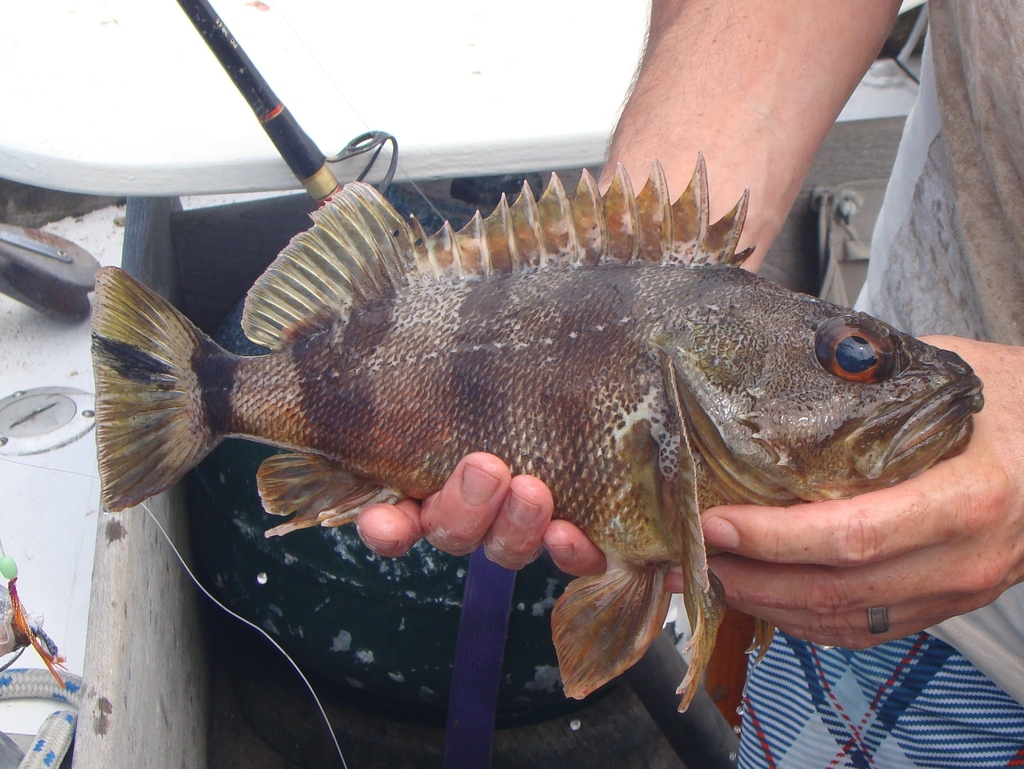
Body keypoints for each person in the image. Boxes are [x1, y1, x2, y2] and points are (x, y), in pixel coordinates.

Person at [356, 1, 1024, 765]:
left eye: (854, 358)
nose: (859, 364)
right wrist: (641, 256)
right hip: (884, 587)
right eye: (854, 356)